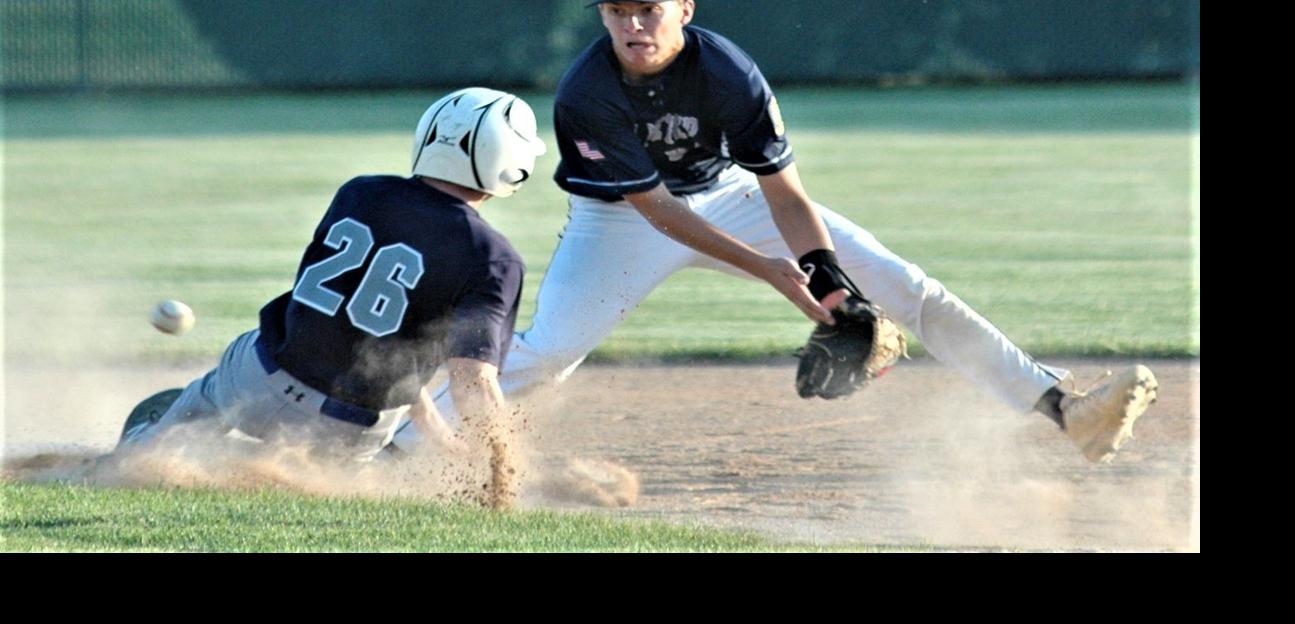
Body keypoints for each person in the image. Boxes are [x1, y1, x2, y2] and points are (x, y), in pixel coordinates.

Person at [394, 0, 1157, 464]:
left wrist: (824, 275)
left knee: (908, 289)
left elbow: (783, 192)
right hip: (620, 220)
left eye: (648, 9)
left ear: (683, 9)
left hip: (728, 196)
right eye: (617, 10)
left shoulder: (729, 72)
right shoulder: (587, 92)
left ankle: (1065, 409)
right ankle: (393, 449)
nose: (632, 23)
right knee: (549, 350)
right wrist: (777, 276)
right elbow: (660, 214)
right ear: (600, 16)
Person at [118, 87, 547, 474]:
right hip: (347, 431)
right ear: (512, 164)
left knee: (206, 400)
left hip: (256, 384)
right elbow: (473, 380)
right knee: (342, 477)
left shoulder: (360, 193)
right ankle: (266, 471)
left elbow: (343, 328)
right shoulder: (494, 258)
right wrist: (499, 471)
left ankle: (153, 445)